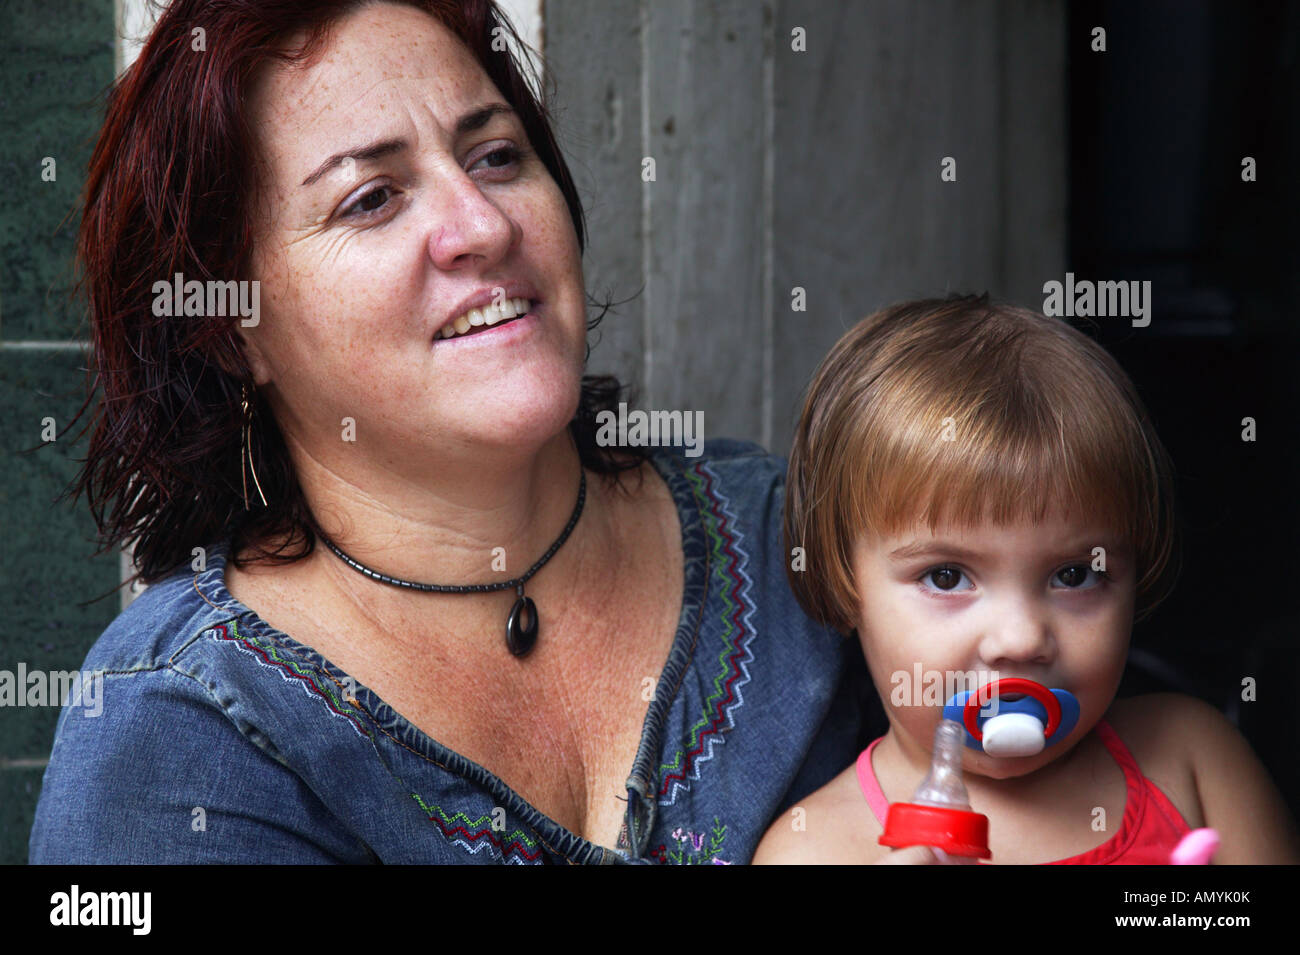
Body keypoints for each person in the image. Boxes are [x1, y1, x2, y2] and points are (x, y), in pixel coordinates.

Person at [28, 0, 868, 865]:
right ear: (233, 329)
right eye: (372, 199)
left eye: (497, 156)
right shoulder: (181, 729)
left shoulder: (802, 548)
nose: (484, 225)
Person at [753, 294, 1300, 864]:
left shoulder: (1194, 759)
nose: (1020, 639)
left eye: (1073, 575)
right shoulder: (813, 849)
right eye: (945, 577)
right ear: (843, 583)